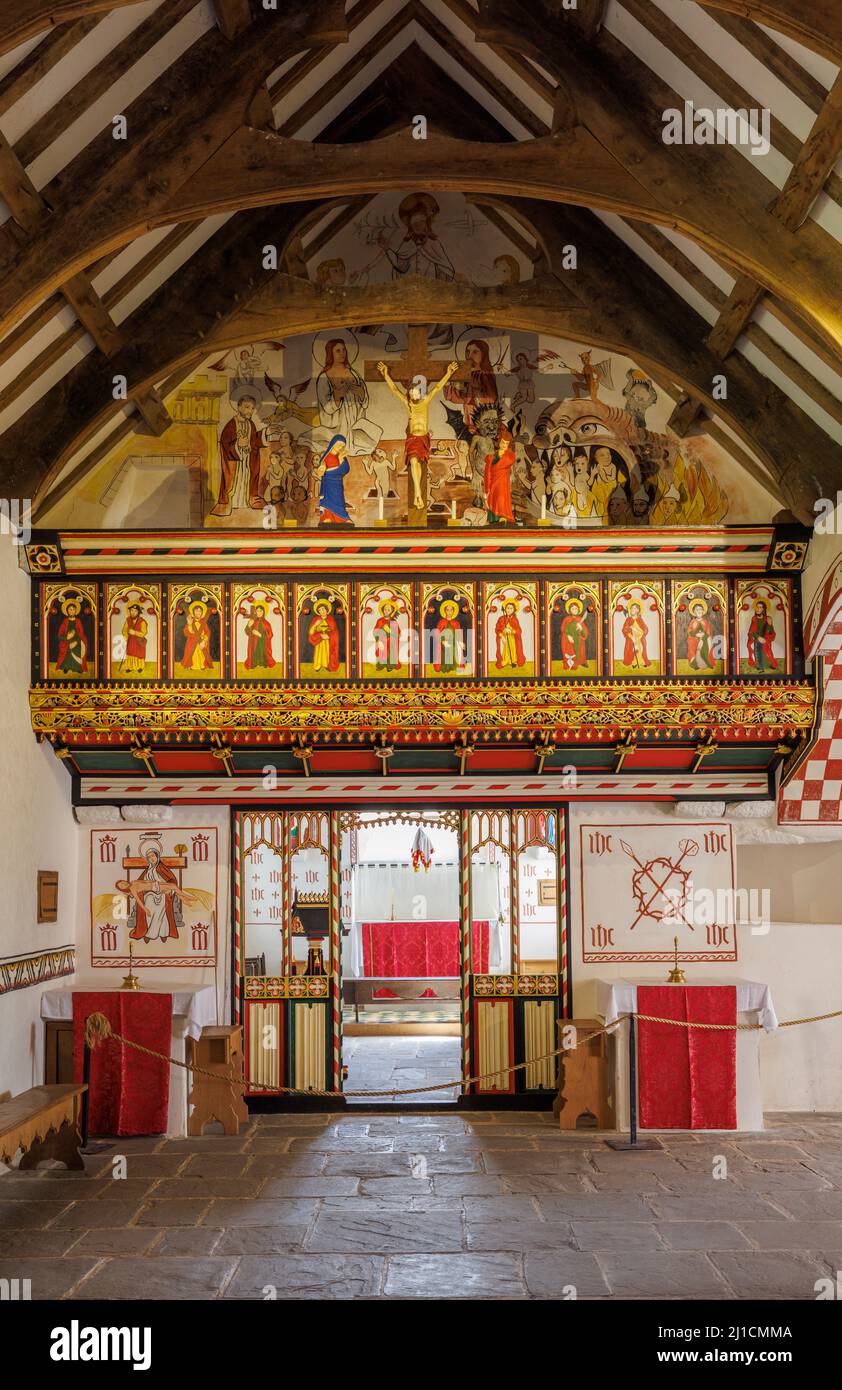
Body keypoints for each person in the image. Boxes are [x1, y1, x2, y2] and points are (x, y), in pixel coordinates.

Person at [377, 358, 459, 512]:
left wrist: (449, 373)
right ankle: (418, 493)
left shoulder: (425, 401)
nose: (413, 395)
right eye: (411, 393)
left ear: (420, 393)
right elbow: (394, 390)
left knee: (419, 464)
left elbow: (437, 388)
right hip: (413, 438)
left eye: (416, 392)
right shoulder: (408, 404)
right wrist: (385, 374)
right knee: (414, 462)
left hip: (423, 439)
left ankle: (418, 492)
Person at [315, 338, 381, 455]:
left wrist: (361, 394)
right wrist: (338, 395)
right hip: (337, 423)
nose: (342, 353)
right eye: (338, 351)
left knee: (365, 439)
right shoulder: (325, 376)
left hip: (355, 418)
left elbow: (364, 398)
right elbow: (325, 406)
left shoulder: (354, 373)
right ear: (331, 353)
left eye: (344, 350)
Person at [213, 393, 264, 516]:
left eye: (252, 408)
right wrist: (237, 444)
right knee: (234, 481)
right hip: (235, 461)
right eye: (247, 407)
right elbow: (225, 443)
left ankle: (245, 502)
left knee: (246, 478)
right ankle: (231, 504)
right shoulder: (231, 424)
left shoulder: (250, 424)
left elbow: (254, 441)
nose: (250, 411)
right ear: (239, 407)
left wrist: (265, 434)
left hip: (246, 460)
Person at [316, 435, 352, 525]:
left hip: (337, 483)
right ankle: (326, 517)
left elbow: (345, 469)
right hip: (328, 483)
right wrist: (323, 468)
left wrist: (340, 460)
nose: (340, 447)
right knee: (327, 501)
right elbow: (320, 472)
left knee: (339, 500)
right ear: (333, 444)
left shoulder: (341, 456)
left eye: (342, 446)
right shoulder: (326, 457)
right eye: (339, 445)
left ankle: (343, 518)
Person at [485, 429, 516, 524]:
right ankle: (493, 518)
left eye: (506, 444)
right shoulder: (493, 455)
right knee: (493, 497)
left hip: (502, 481)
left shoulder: (510, 455)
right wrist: (487, 487)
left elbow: (509, 461)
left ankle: (502, 516)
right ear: (499, 442)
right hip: (493, 480)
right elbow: (489, 470)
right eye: (503, 442)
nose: (504, 445)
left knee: (501, 497)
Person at [55, 598, 88, 675]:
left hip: (77, 641)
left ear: (76, 611)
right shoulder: (65, 621)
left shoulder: (78, 621)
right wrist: (66, 638)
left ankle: (77, 668)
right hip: (67, 641)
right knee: (67, 650)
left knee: (77, 649)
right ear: (67, 611)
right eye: (70, 609)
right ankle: (66, 667)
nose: (72, 611)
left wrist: (76, 641)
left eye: (73, 609)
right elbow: (60, 634)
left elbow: (81, 633)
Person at [431, 598, 465, 673]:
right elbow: (437, 633)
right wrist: (442, 641)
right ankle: (446, 667)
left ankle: (455, 666)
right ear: (444, 611)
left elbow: (459, 634)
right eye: (447, 610)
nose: (449, 612)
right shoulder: (442, 622)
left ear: (453, 611)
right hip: (444, 643)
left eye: (451, 610)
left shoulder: (456, 623)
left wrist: (460, 642)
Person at [308, 599, 341, 673]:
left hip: (327, 640)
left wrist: (329, 635)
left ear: (326, 609)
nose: (322, 611)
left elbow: (335, 631)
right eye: (319, 610)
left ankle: (326, 665)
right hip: (319, 640)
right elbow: (311, 632)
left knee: (327, 652)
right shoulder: (316, 619)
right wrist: (316, 625)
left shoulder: (331, 619)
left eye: (323, 609)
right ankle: (317, 666)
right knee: (319, 653)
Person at [746, 599, 778, 671]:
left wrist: (770, 625)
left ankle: (773, 664)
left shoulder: (767, 619)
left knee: (767, 650)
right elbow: (751, 631)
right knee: (753, 648)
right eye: (757, 607)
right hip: (756, 638)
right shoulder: (754, 619)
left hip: (765, 639)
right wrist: (758, 637)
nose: (758, 609)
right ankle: (759, 665)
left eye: (760, 607)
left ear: (763, 609)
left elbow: (771, 632)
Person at [181, 601, 213, 672]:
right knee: (193, 653)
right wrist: (189, 624)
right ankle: (192, 666)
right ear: (193, 612)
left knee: (202, 653)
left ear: (202, 613)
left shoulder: (203, 622)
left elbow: (208, 632)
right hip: (192, 641)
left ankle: (202, 666)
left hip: (201, 641)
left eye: (199, 611)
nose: (198, 613)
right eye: (196, 611)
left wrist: (204, 640)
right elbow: (186, 632)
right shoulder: (191, 621)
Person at [495, 600, 526, 670]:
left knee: (513, 648)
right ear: (505, 609)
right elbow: (497, 629)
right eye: (507, 608)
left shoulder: (515, 620)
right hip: (504, 638)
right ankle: (506, 660)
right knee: (505, 649)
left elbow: (519, 630)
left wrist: (511, 631)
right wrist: (501, 636)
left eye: (511, 608)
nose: (509, 610)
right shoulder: (501, 619)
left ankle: (513, 661)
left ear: (514, 610)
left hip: (513, 638)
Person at [244, 602, 275, 671]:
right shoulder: (252, 621)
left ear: (263, 612)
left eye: (261, 611)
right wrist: (248, 626)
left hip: (263, 642)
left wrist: (260, 635)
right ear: (255, 612)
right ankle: (254, 664)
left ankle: (264, 663)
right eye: (257, 611)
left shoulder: (266, 623)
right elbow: (246, 631)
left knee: (262, 652)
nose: (259, 612)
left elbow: (270, 634)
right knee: (254, 652)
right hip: (253, 642)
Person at [372, 600, 402, 671]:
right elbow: (375, 631)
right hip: (381, 640)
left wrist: (390, 631)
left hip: (391, 641)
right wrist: (379, 640)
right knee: (381, 649)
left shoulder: (393, 621)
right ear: (382, 610)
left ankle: (390, 665)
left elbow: (397, 633)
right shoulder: (380, 620)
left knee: (390, 649)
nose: (386, 611)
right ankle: (381, 665)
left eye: (388, 610)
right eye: (385, 609)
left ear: (391, 611)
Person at [686, 599, 715, 671]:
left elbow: (708, 631)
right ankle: (694, 664)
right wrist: (696, 634)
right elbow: (689, 631)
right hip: (694, 639)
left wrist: (704, 635)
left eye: (700, 610)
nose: (699, 611)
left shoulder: (705, 622)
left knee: (705, 645)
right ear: (694, 612)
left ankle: (707, 663)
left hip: (704, 639)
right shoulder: (693, 622)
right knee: (693, 646)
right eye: (697, 610)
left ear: (703, 611)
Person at [560, 598, 589, 670]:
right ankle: (569, 665)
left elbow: (585, 632)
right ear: (569, 610)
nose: (574, 610)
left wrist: (581, 628)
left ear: (578, 610)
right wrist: (568, 636)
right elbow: (563, 629)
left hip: (578, 639)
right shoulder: (567, 619)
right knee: (570, 652)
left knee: (580, 651)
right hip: (568, 639)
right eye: (573, 609)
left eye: (576, 608)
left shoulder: (580, 619)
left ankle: (581, 662)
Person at [120, 603, 148, 676]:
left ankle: (140, 667)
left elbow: (144, 633)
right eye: (132, 610)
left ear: (138, 612)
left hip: (139, 641)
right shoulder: (128, 620)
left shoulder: (142, 621)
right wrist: (126, 636)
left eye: (135, 611)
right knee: (130, 652)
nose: (133, 612)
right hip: (131, 640)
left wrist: (134, 632)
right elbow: (124, 630)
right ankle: (130, 667)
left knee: (139, 654)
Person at [622, 600, 650, 670]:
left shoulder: (639, 619)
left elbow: (645, 629)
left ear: (637, 610)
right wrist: (629, 631)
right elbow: (624, 629)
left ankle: (643, 663)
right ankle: (633, 663)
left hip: (640, 639)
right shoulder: (628, 620)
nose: (632, 610)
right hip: (631, 639)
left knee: (640, 650)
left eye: (634, 608)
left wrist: (639, 632)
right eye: (631, 608)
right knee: (631, 650)